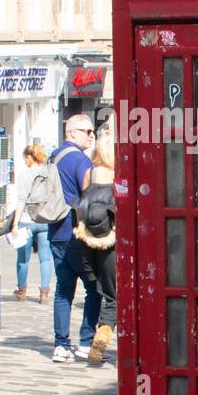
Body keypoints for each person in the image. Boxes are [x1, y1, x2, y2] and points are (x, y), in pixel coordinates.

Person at [47, 114, 101, 363]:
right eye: (87, 131)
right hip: (76, 234)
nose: (92, 135)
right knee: (94, 289)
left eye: (93, 131)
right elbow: (90, 196)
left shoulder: (53, 156)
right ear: (72, 132)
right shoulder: (80, 160)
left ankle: (60, 345)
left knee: (63, 290)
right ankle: (85, 342)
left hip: (55, 232)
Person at [72, 125, 117, 365]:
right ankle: (104, 332)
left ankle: (93, 336)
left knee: (101, 291)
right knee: (116, 296)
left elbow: (83, 207)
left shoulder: (90, 173)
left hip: (89, 240)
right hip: (112, 241)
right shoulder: (118, 176)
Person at [10, 144, 53, 304]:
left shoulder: (23, 174)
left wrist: (15, 224)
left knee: (22, 258)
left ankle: (21, 291)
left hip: (27, 221)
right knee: (45, 258)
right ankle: (44, 293)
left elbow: (21, 199)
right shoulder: (48, 173)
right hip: (44, 220)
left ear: (29, 157)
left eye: (25, 158)